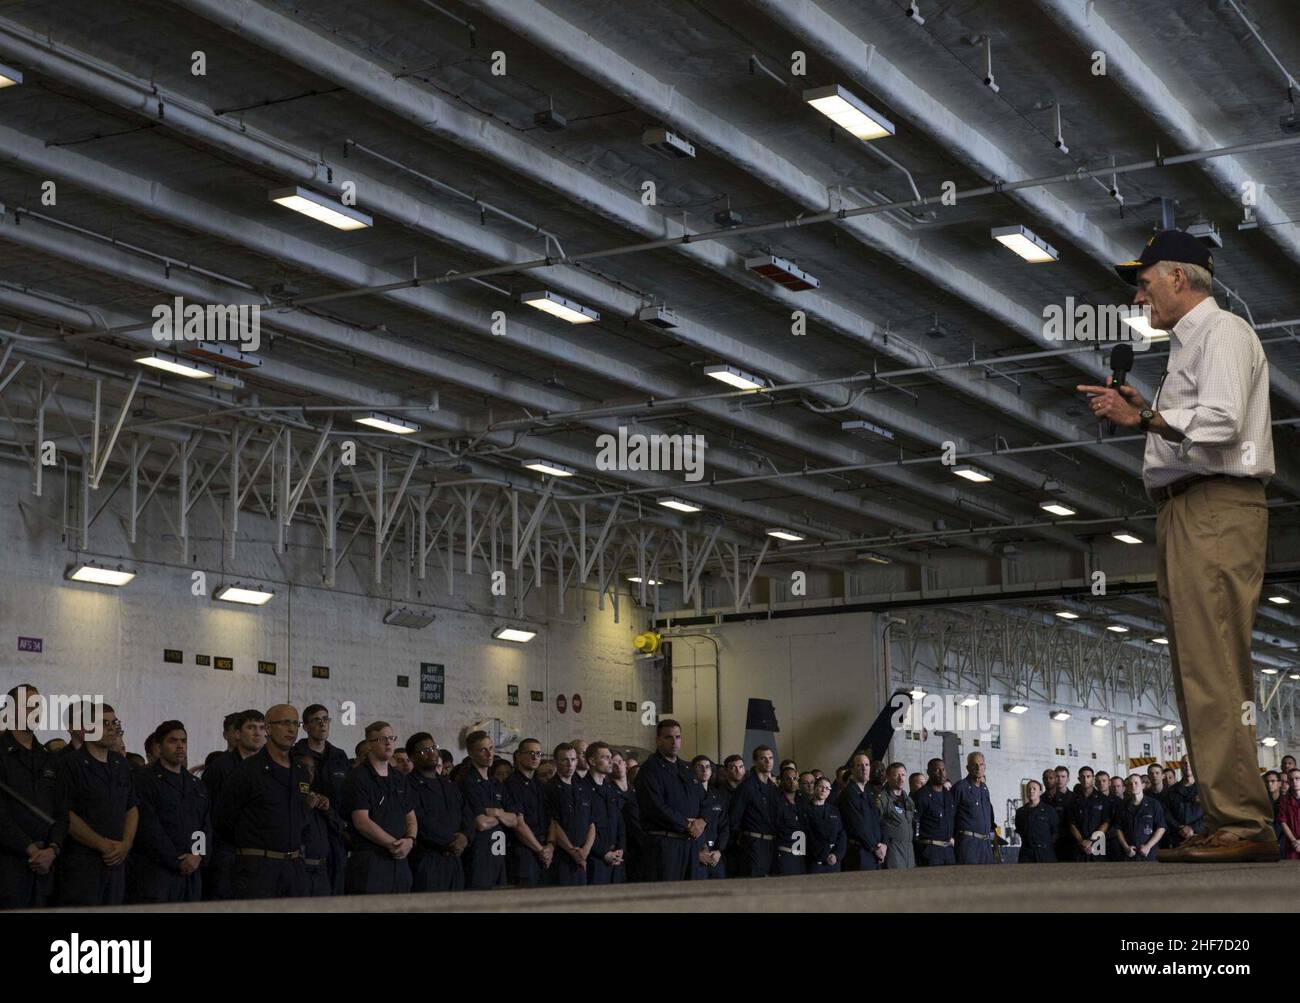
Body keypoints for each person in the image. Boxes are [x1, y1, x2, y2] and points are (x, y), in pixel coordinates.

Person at [1088, 229, 1277, 863]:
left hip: (1216, 506)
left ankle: (1247, 823)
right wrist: (1151, 410)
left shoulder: (1221, 333)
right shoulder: (1192, 344)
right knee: (1201, 667)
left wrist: (1142, 419)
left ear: (1178, 279)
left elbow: (1221, 424)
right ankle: (1228, 814)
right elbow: (1202, 425)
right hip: (1189, 509)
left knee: (1217, 666)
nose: (1139, 295)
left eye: (1143, 283)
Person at [212, 704, 312, 899]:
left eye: (295, 723)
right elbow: (223, 820)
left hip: (294, 867)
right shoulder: (248, 770)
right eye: (284, 723)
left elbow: (302, 815)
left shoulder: (301, 770)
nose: (292, 729)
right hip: (257, 868)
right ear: (268, 728)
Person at [57, 703, 137, 905]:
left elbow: (132, 808)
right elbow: (65, 813)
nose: (111, 728)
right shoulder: (70, 763)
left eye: (114, 723)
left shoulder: (121, 765)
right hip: (83, 862)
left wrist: (126, 844)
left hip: (118, 861)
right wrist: (102, 845)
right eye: (104, 723)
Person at [0, 684, 66, 909]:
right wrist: (31, 849)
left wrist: (53, 849)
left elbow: (61, 810)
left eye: (38, 706)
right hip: (9, 864)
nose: (35, 711)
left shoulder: (49, 758)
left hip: (46, 865)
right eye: (28, 706)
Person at [130, 721, 210, 902]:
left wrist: (198, 855)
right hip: (157, 873)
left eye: (183, 741)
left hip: (191, 872)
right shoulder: (144, 781)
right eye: (173, 741)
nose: (180, 746)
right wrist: (176, 861)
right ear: (159, 747)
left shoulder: (195, 784)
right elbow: (149, 828)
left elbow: (203, 825)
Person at [341, 722, 415, 895]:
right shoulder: (358, 777)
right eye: (382, 739)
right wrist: (395, 844)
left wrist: (410, 840)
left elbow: (410, 815)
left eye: (391, 738)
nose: (388, 743)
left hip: (401, 860)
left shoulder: (399, 778)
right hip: (371, 862)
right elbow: (362, 822)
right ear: (370, 743)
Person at [202, 709, 265, 900]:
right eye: (251, 727)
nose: (257, 733)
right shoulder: (219, 768)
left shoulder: (269, 767)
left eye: (262, 728)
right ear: (237, 734)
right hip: (227, 852)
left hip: (261, 853)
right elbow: (207, 814)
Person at [635, 719, 704, 882]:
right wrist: (687, 824)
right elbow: (656, 807)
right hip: (665, 845)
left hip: (689, 844)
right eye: (668, 737)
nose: (674, 742)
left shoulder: (686, 768)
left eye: (678, 737)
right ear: (658, 740)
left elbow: (705, 798)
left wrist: (703, 820)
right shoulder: (650, 770)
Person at [294, 704, 351, 894]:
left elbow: (346, 797)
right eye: (316, 720)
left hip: (335, 831)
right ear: (306, 727)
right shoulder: (295, 754)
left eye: (326, 719)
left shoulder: (339, 756)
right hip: (305, 830)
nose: (322, 724)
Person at [406, 733, 467, 892]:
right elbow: (419, 820)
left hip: (455, 859)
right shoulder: (408, 785)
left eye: (433, 748)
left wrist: (464, 837)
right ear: (412, 757)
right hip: (428, 859)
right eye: (424, 750)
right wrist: (451, 841)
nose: (432, 753)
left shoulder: (448, 784)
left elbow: (466, 814)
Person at [459, 730, 520, 889]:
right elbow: (481, 823)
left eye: (491, 748)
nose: (489, 754)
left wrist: (496, 813)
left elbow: (514, 820)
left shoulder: (496, 783)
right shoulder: (468, 782)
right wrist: (502, 816)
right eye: (483, 750)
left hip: (499, 853)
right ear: (471, 754)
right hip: (479, 853)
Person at [502, 738, 551, 887]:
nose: (535, 757)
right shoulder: (511, 784)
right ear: (518, 755)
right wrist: (541, 850)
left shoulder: (539, 785)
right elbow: (519, 824)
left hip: (544, 851)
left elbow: (551, 820)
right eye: (530, 753)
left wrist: (550, 846)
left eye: (538, 753)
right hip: (524, 852)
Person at [546, 743, 594, 886]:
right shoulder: (550, 788)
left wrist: (585, 851)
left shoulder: (583, 787)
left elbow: (591, 822)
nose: (570, 764)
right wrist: (573, 852)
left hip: (583, 855)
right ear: (556, 762)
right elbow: (554, 824)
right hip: (562, 856)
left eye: (573, 759)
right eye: (565, 760)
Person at [729, 745, 778, 877]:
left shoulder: (773, 788)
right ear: (755, 762)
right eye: (763, 758)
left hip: (772, 845)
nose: (768, 762)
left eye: (771, 758)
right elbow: (734, 818)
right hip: (753, 844)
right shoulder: (747, 787)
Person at [293, 749, 333, 896]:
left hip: (322, 869)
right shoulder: (289, 796)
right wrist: (306, 807)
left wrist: (328, 810)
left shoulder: (318, 796)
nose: (308, 772)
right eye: (303, 768)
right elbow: (290, 829)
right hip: (300, 868)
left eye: (311, 769)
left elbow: (339, 827)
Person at [584, 742, 624, 884]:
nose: (610, 761)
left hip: (616, 859)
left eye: (610, 757)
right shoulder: (583, 789)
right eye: (605, 757)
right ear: (592, 761)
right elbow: (584, 827)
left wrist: (620, 848)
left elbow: (619, 821)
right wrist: (603, 853)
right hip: (595, 858)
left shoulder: (611, 788)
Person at [838, 752, 885, 871]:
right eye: (859, 765)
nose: (864, 768)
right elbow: (858, 825)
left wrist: (883, 844)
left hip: (875, 852)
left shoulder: (868, 792)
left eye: (867, 764)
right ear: (852, 770)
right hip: (860, 853)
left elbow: (878, 821)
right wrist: (875, 848)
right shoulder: (849, 794)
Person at [951, 752, 995, 864]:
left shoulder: (984, 789)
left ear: (985, 767)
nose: (978, 768)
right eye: (974, 765)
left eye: (981, 764)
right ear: (967, 768)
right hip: (968, 843)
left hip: (985, 844)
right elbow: (950, 815)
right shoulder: (960, 787)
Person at [913, 758, 955, 866]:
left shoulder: (948, 795)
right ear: (929, 772)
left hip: (948, 851)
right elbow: (915, 822)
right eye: (937, 770)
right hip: (931, 851)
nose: (941, 773)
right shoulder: (922, 795)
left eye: (943, 769)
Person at [1115, 773, 1166, 862]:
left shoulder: (1154, 804)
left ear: (1143, 785)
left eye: (1136, 783)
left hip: (1149, 852)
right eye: (1130, 784)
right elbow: (1118, 828)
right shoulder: (1123, 806)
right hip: (1129, 853)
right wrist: (1126, 847)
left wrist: (1148, 846)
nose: (1133, 786)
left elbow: (1161, 827)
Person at [691, 755, 727, 879]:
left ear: (712, 771)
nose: (704, 770)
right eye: (700, 767)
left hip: (715, 856)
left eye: (707, 767)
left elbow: (724, 826)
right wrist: (696, 854)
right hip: (695, 856)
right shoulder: (686, 795)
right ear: (693, 770)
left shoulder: (717, 796)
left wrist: (719, 851)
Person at [874, 762, 915, 869]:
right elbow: (875, 822)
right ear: (888, 777)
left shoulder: (908, 800)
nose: (901, 779)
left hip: (909, 852)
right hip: (893, 851)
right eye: (897, 775)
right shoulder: (883, 798)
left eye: (903, 775)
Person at [1067, 766, 1111, 861]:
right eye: (1082, 777)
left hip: (1099, 845)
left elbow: (1106, 822)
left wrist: (1091, 840)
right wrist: (1082, 842)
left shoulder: (1103, 799)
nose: (1085, 779)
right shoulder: (1073, 800)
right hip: (1079, 846)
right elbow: (1072, 824)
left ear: (1093, 778)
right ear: (1079, 779)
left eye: (1088, 776)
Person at [609, 751, 641, 883]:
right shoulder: (609, 791)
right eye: (613, 763)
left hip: (638, 846)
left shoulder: (636, 790)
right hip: (620, 846)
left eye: (620, 762)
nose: (618, 766)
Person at [806, 776, 845, 874]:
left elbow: (841, 834)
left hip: (833, 862)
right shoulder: (806, 810)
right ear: (815, 788)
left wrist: (836, 855)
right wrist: (823, 855)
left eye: (827, 788)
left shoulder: (834, 810)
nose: (824, 790)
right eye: (821, 786)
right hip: (815, 862)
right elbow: (808, 836)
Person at [1165, 756, 1206, 849]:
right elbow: (1167, 814)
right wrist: (1180, 827)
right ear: (1180, 766)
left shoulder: (1204, 789)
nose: (1187, 765)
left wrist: (1193, 828)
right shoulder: (1171, 791)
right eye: (1184, 763)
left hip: (1200, 836)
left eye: (1190, 762)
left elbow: (1211, 813)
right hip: (1178, 838)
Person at [772, 766, 807, 876]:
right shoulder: (777, 801)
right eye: (788, 779)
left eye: (794, 778)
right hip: (784, 853)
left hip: (801, 854)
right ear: (781, 781)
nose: (792, 782)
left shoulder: (802, 800)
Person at [1014, 780, 1058, 863]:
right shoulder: (1021, 812)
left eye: (1034, 789)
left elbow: (1055, 832)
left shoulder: (1049, 810)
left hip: (1045, 854)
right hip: (1027, 854)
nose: (1031, 791)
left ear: (1040, 792)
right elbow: (1020, 830)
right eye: (1029, 789)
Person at [1045, 765, 1075, 863]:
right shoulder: (1045, 798)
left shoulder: (1075, 798)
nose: (1060, 780)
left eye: (1063, 777)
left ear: (1068, 779)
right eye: (1057, 777)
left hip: (1069, 842)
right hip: (1050, 842)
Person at [1277, 769, 1300, 860]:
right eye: (1291, 779)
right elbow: (1283, 822)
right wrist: (1294, 841)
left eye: (1297, 778)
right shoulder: (1284, 801)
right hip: (1292, 844)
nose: (1294, 782)